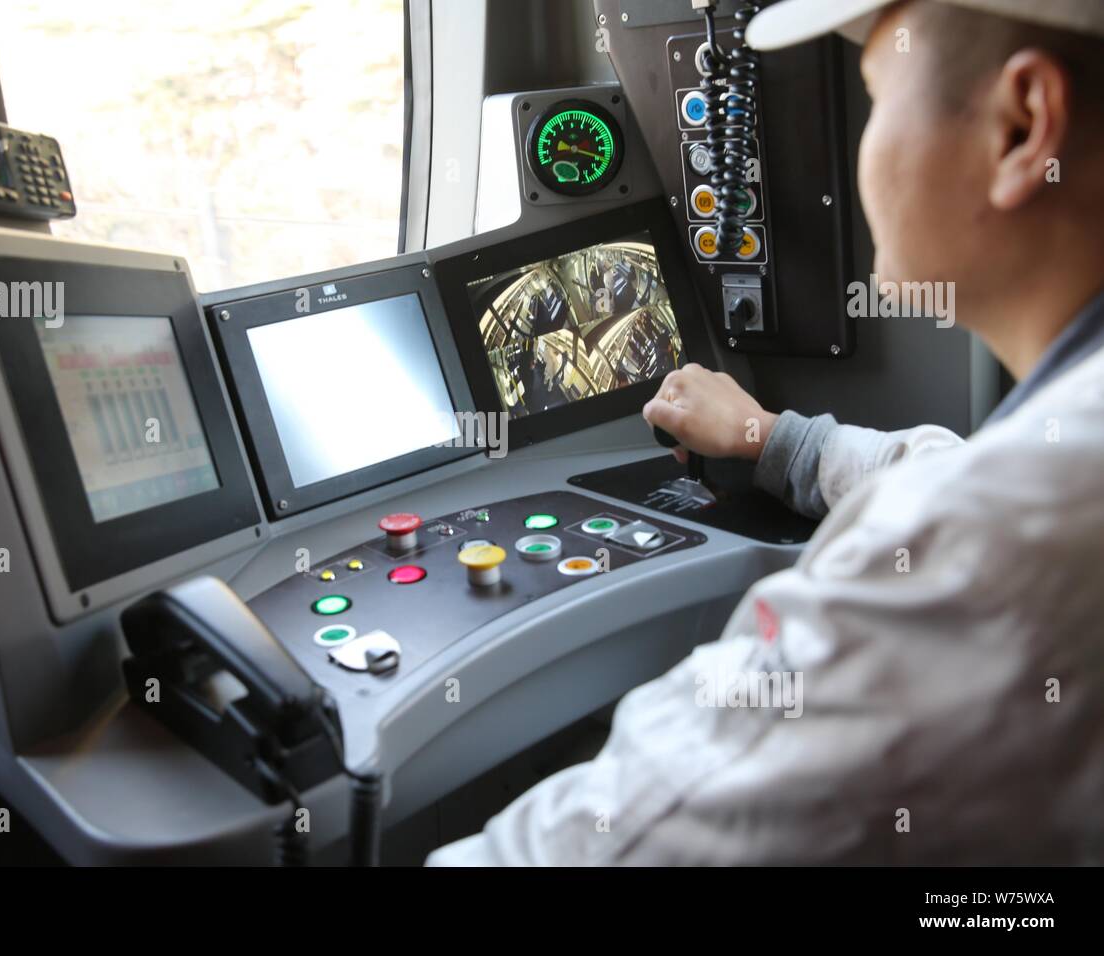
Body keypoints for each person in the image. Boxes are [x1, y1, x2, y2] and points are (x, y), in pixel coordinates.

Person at [428, 0, 1104, 865]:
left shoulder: (986, 548)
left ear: (1021, 127)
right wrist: (774, 437)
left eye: (877, 91)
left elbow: (633, 832)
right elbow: (972, 473)